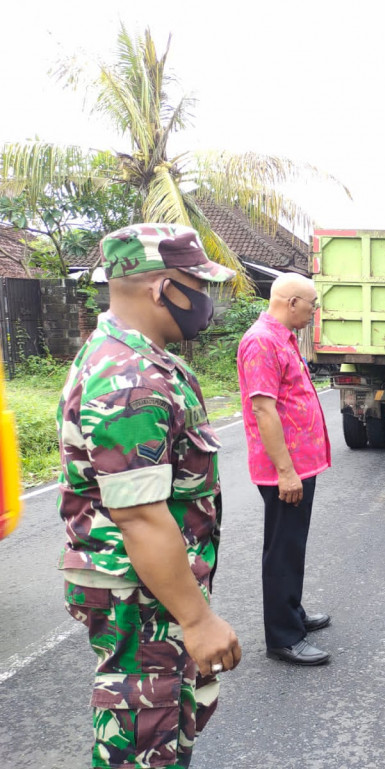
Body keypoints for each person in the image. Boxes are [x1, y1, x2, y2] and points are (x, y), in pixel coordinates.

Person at [57, 223, 241, 768]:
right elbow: (138, 516)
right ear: (163, 288)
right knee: (143, 738)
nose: (205, 300)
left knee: (166, 728)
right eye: (198, 284)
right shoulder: (128, 376)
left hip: (150, 585)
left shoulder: (145, 357)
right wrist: (197, 619)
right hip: (138, 593)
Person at [237, 274, 332, 666]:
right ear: (292, 302)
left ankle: (292, 613)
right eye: (311, 303)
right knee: (282, 549)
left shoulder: (283, 337)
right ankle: (283, 637)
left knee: (293, 546)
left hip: (299, 463)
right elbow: (263, 408)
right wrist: (285, 472)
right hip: (284, 468)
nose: (314, 310)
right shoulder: (261, 341)